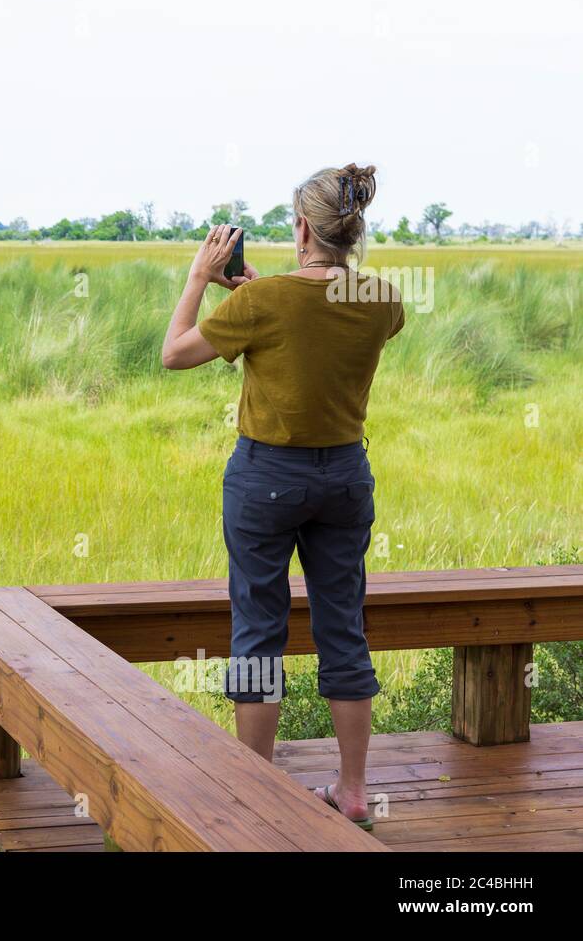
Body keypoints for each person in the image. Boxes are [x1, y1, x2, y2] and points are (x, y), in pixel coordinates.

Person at [160, 164, 405, 831]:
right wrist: (268, 296)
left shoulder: (258, 305)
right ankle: (354, 793)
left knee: (259, 634)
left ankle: (258, 793)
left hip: (265, 478)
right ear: (351, 230)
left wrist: (201, 280)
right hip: (346, 478)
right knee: (343, 632)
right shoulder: (384, 298)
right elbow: (323, 317)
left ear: (300, 228)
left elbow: (175, 354)